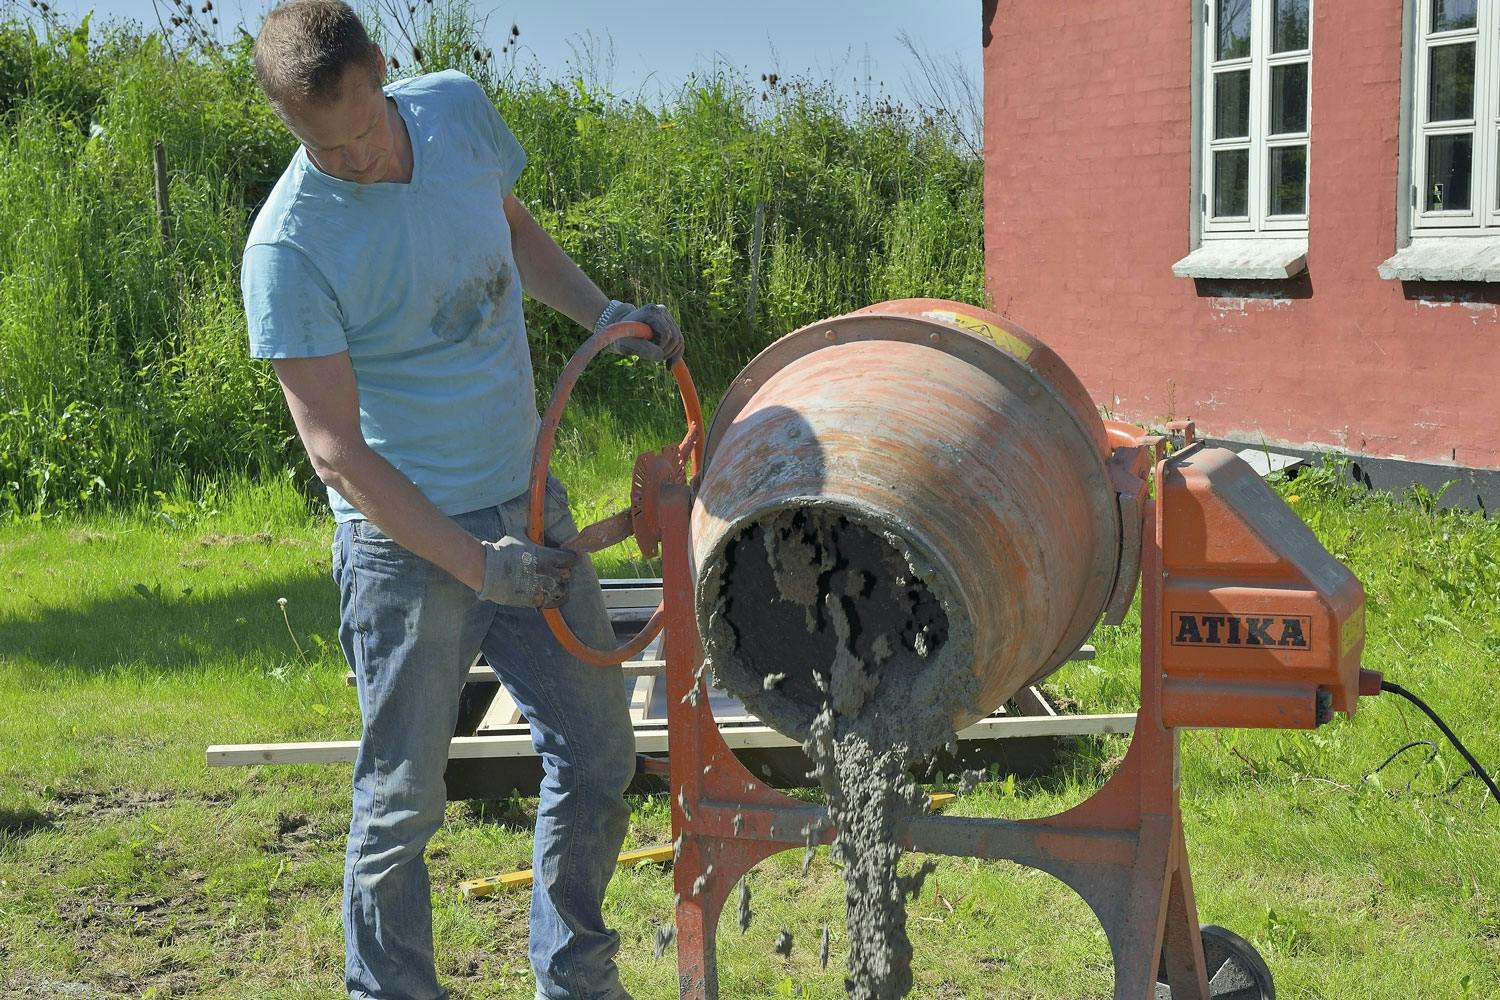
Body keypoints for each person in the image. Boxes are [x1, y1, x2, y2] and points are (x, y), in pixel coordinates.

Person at [240, 2, 683, 997]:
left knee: (598, 752)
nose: (354, 155)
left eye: (362, 125)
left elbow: (508, 227)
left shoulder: (454, 112)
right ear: (286, 124)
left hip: (526, 497)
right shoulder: (289, 249)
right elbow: (337, 453)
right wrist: (479, 567)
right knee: (401, 802)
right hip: (405, 551)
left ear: (385, 70)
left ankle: (573, 973)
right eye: (325, 143)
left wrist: (601, 313)